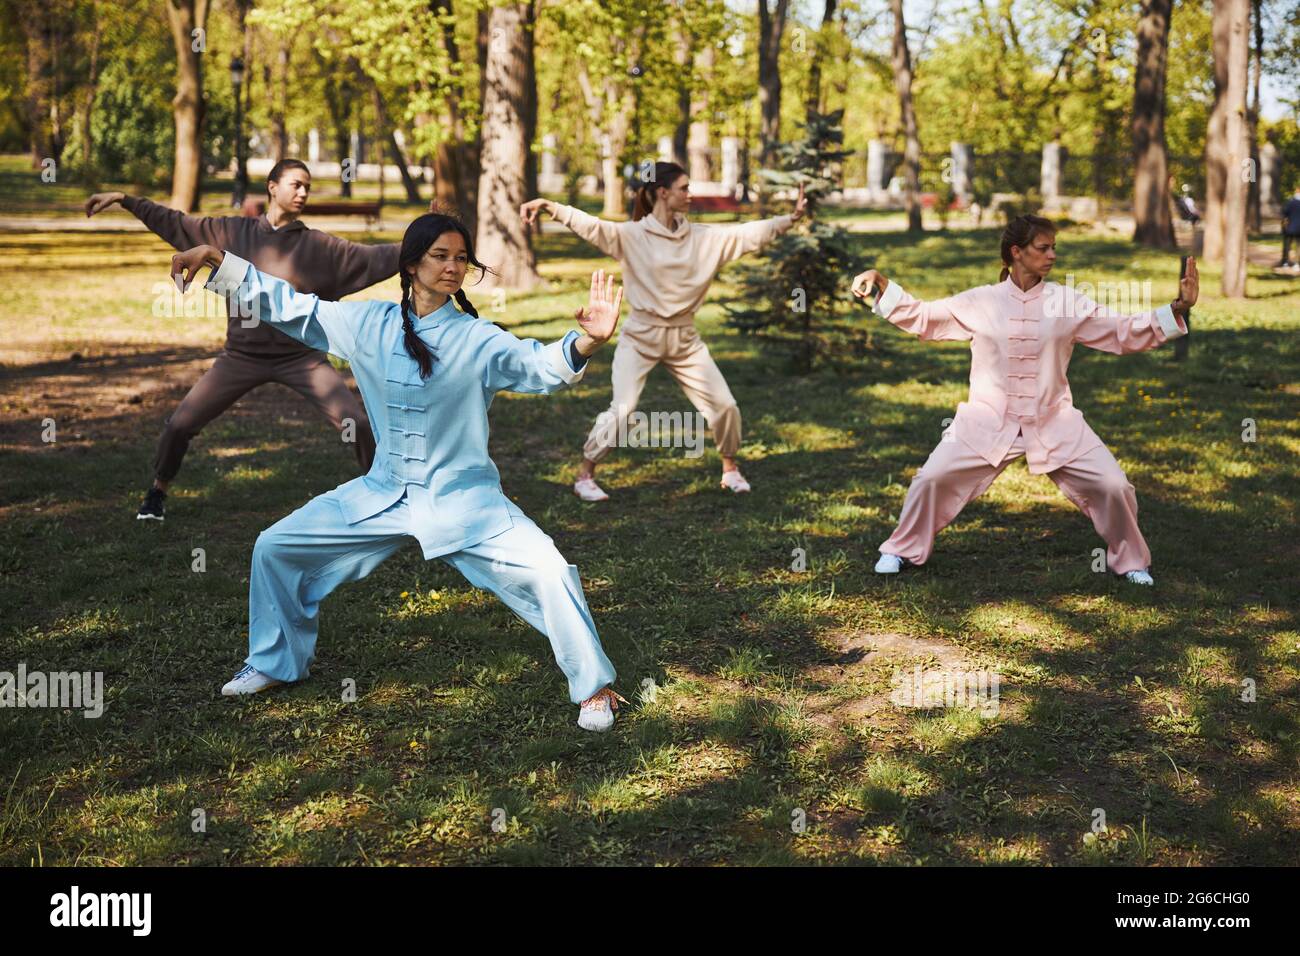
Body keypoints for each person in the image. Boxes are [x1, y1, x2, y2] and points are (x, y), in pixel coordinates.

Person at [167, 212, 627, 731]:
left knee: (548, 570)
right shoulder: (367, 324)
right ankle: (275, 663)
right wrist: (216, 260)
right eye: (440, 256)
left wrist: (587, 342)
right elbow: (293, 308)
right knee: (275, 546)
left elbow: (537, 365)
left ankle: (594, 689)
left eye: (461, 258)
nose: (453, 267)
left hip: (465, 503)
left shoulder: (476, 338)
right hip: (382, 494)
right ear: (410, 265)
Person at [850, 214, 1197, 587]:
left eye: (1054, 249)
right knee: (932, 478)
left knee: (1114, 486)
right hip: (985, 421)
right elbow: (925, 316)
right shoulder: (981, 301)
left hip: (1054, 421)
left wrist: (1175, 309)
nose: (1052, 257)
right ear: (1016, 252)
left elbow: (1120, 331)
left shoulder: (1067, 302)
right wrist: (882, 284)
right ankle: (900, 549)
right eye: (1042, 248)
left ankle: (1131, 562)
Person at [86, 159, 399, 522]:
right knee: (180, 424)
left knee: (356, 424)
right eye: (296, 184)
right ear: (272, 187)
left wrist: (426, 238)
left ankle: (385, 494)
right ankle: (157, 492)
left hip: (303, 359)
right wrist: (125, 199)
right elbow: (174, 222)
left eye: (307, 187)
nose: (303, 193)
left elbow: (379, 257)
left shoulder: (321, 248)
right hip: (242, 357)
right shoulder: (230, 233)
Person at [520, 162, 807, 501]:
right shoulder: (631, 236)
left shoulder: (703, 238)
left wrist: (790, 219)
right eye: (684, 188)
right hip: (640, 336)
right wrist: (551, 207)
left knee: (725, 405)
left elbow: (746, 234)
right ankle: (585, 474)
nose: (690, 194)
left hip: (685, 339)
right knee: (623, 410)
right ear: (662, 192)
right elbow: (592, 226)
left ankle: (730, 469)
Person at [1280, 185, 1300, 269]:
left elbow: (1284, 214)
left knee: (1287, 246)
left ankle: (1285, 262)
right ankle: (1297, 263)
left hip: (1290, 228)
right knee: (1298, 247)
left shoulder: (1289, 202)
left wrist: (1283, 227)